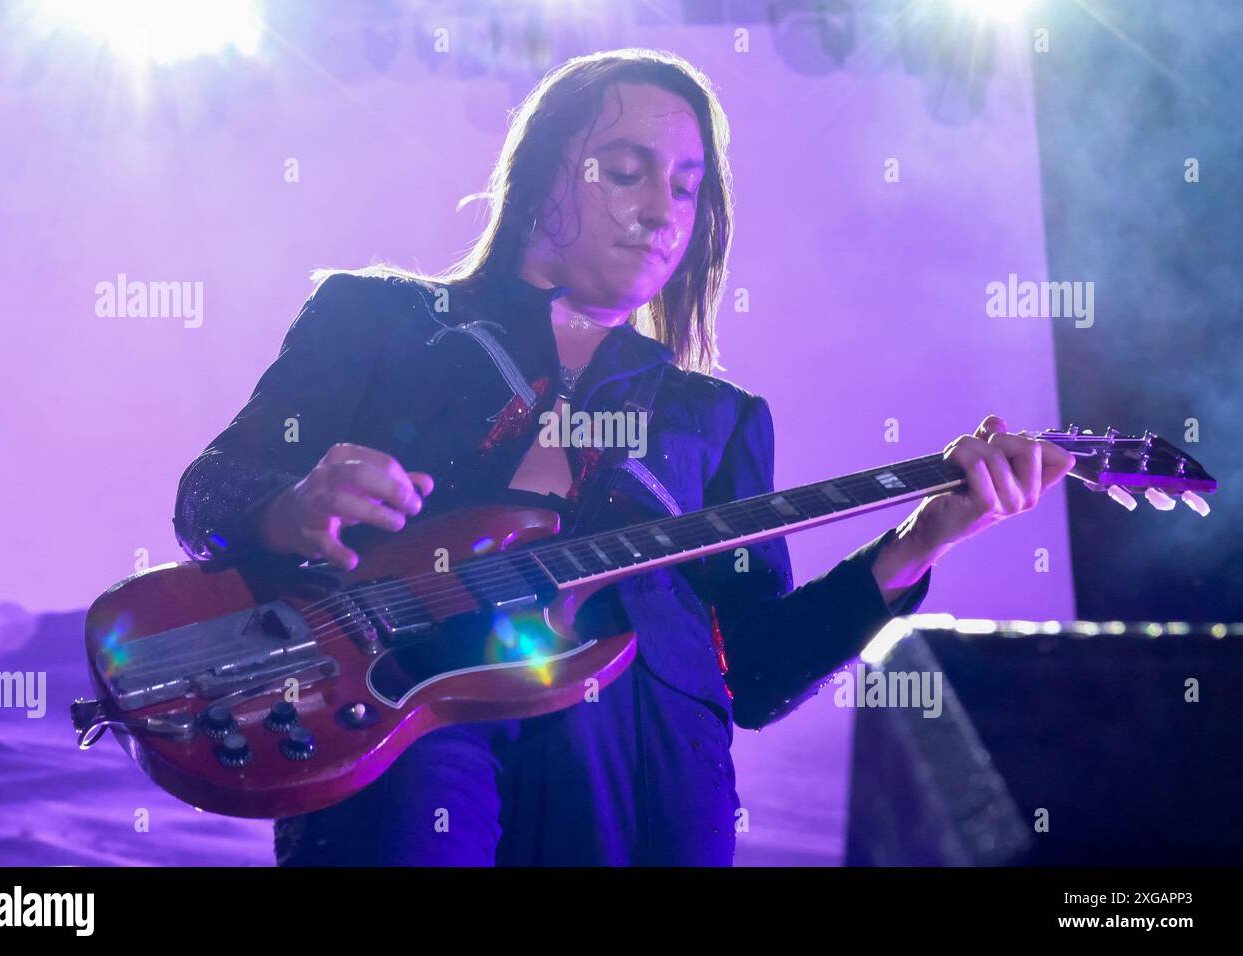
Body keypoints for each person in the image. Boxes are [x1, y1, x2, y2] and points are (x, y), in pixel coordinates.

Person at [173, 48, 1074, 866]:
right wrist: (289, 503)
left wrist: (921, 541)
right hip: (404, 728)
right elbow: (209, 491)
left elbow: (754, 675)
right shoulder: (380, 317)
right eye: (625, 171)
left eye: (686, 188)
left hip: (646, 798)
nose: (659, 212)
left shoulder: (716, 418)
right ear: (536, 181)